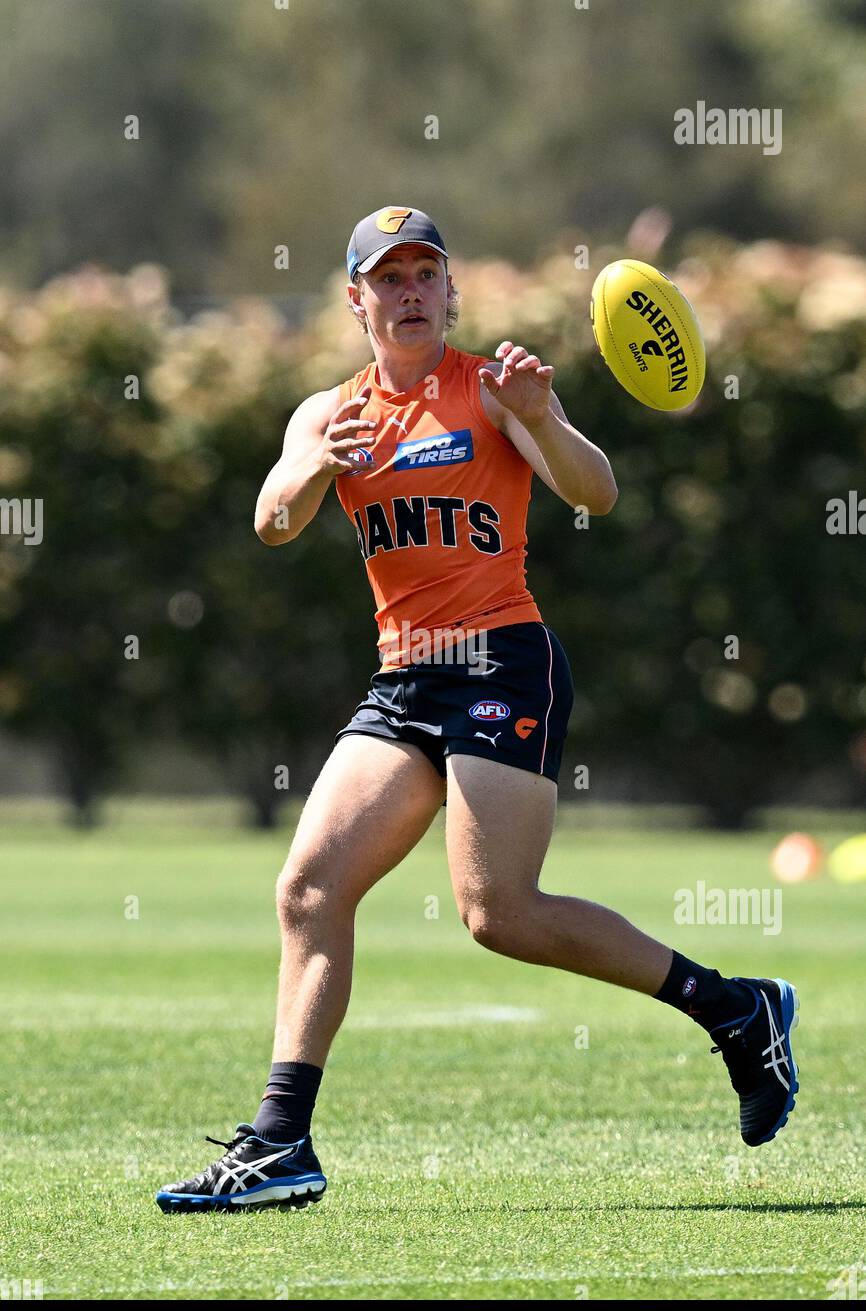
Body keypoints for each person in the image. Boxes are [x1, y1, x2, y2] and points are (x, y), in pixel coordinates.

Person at [155, 207, 799, 1212]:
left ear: (449, 293)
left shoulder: (492, 391)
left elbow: (599, 492)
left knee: (497, 914)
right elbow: (271, 519)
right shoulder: (328, 411)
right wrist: (320, 462)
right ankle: (281, 1142)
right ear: (356, 299)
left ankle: (733, 1009)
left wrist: (540, 416)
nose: (408, 292)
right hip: (403, 680)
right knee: (308, 889)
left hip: (503, 662)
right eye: (388, 277)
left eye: (425, 274)